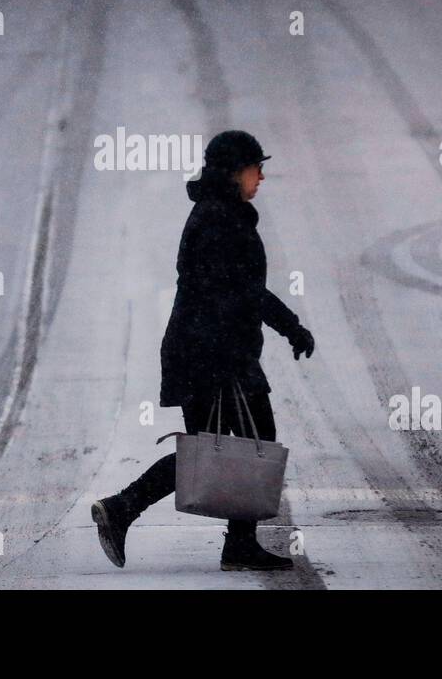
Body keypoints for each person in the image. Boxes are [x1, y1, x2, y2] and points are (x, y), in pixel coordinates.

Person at [92, 130, 315, 571]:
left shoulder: (220, 213)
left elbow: (239, 290)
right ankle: (129, 510)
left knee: (212, 450)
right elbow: (242, 292)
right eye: (256, 167)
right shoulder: (220, 219)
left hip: (206, 349)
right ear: (235, 171)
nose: (262, 177)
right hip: (213, 352)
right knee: (247, 445)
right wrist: (290, 326)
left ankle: (133, 512)